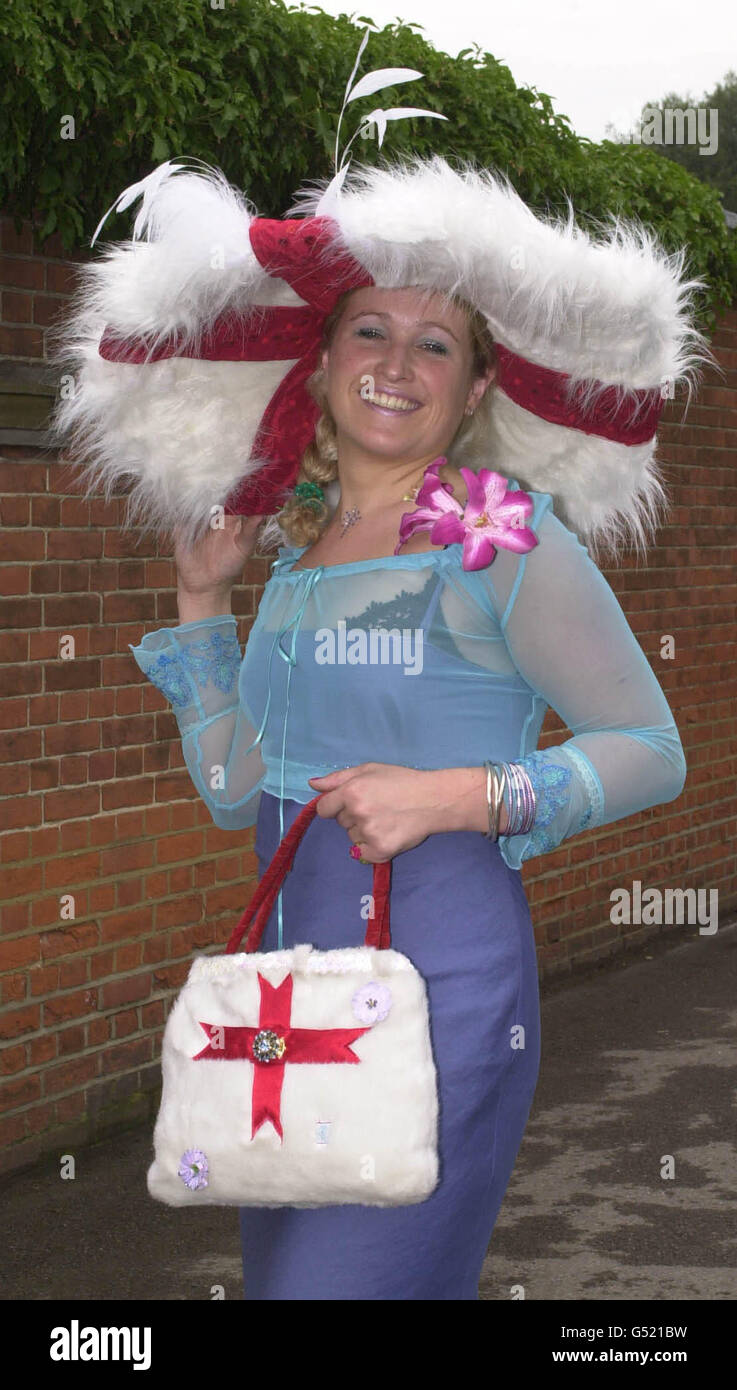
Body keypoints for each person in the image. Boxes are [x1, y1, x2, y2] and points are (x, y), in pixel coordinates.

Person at [125, 274, 688, 1300]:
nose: (393, 364)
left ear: (474, 389)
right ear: (325, 362)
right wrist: (203, 595)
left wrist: (451, 797)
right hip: (285, 1015)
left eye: (435, 346)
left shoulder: (498, 534)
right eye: (369, 333)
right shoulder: (295, 556)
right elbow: (231, 786)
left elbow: (649, 745)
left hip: (440, 989)